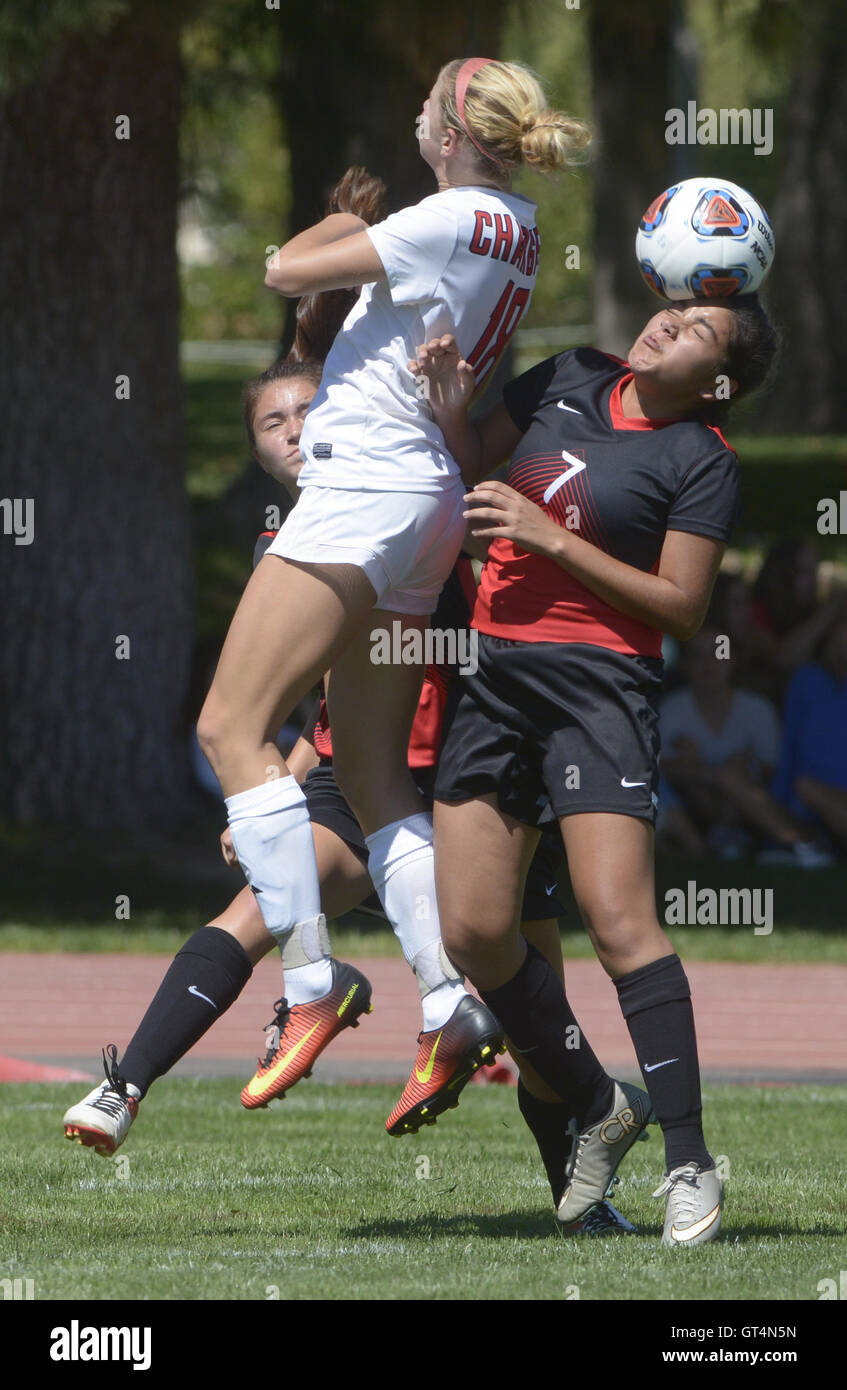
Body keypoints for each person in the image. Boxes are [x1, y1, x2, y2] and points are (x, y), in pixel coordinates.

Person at [66, 328, 625, 1233]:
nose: (291, 430)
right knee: (255, 910)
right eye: (270, 421)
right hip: (352, 776)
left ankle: (582, 1194)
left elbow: (500, 598)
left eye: (307, 411)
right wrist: (277, 785)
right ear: (254, 449)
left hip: (475, 774)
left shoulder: (424, 503)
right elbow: (309, 695)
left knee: (533, 1011)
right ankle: (125, 1086)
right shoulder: (284, 546)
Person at [193, 58, 590, 1133]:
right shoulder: (510, 220)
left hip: (368, 489)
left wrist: (321, 228)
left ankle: (314, 981)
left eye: (432, 97)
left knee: (230, 726)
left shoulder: (450, 210)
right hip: (424, 509)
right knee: (372, 776)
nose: (415, 106)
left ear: (457, 127)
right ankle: (453, 997)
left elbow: (284, 270)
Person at [411, 291, 779, 1245]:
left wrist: (549, 540)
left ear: (720, 381)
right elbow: (465, 462)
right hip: (492, 681)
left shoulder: (701, 458)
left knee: (619, 926)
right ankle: (596, 1099)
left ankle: (691, 1164)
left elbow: (681, 609)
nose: (668, 325)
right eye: (674, 310)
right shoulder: (570, 373)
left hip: (597, 693)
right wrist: (452, 404)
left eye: (700, 331)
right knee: (476, 934)